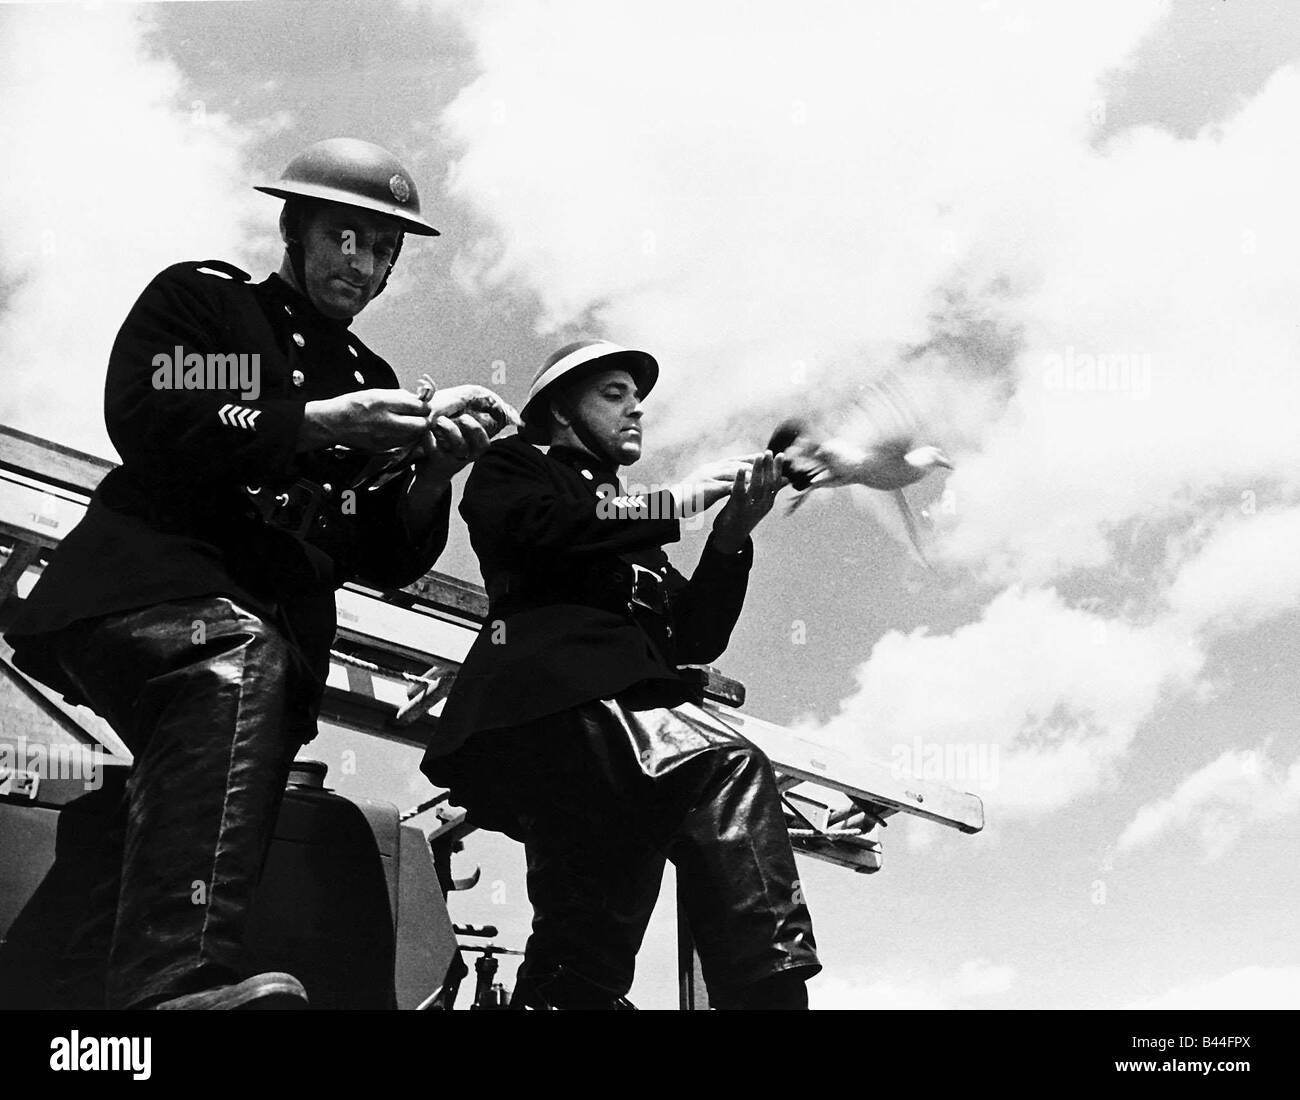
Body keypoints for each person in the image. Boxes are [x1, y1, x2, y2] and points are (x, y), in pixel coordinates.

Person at [2, 138, 517, 1010]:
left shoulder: (374, 379)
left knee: (184, 807)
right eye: (343, 235)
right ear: (296, 228)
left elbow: (381, 553)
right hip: (148, 592)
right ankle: (173, 992)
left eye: (382, 247)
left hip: (275, 642)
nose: (361, 260)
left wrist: (433, 470)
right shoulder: (221, 309)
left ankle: (61, 1007)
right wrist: (315, 422)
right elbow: (157, 409)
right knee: (229, 663)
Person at [420, 339, 821, 1009]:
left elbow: (695, 636)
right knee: (723, 765)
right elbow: (538, 529)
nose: (635, 412)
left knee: (582, 952)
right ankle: (769, 994)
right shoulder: (516, 465)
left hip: (599, 746)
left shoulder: (627, 527)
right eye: (613, 396)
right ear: (561, 413)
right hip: (554, 703)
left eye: (638, 401)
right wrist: (680, 500)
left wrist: (728, 538)